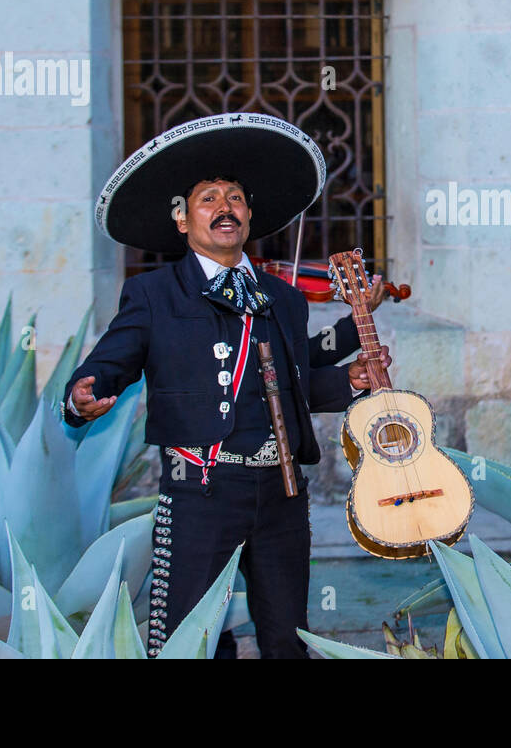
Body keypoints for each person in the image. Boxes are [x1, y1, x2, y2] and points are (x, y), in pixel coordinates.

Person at [62, 112, 389, 659]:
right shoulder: (153, 294)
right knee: (192, 641)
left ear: (249, 215)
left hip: (282, 492)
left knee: (288, 638)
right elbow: (108, 363)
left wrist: (350, 382)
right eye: (208, 198)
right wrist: (82, 395)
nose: (224, 207)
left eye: (234, 197)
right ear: (182, 221)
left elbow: (292, 382)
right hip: (200, 491)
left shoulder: (282, 296)